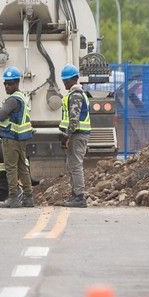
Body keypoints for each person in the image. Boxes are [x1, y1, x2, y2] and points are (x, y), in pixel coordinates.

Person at [0, 66, 34, 208]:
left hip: (11, 137)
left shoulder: (12, 100)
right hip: (21, 138)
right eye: (5, 83)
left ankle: (13, 197)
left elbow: (0, 116)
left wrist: (0, 110)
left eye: (10, 83)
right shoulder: (23, 97)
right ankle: (28, 197)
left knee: (11, 167)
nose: (7, 86)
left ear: (17, 83)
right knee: (22, 167)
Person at [59, 63, 91, 208]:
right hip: (76, 135)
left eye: (67, 80)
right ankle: (75, 194)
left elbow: (74, 118)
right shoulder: (74, 94)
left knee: (75, 165)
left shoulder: (76, 95)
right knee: (71, 164)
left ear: (75, 79)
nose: (65, 83)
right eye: (64, 80)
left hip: (77, 135)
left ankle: (79, 196)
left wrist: (67, 135)